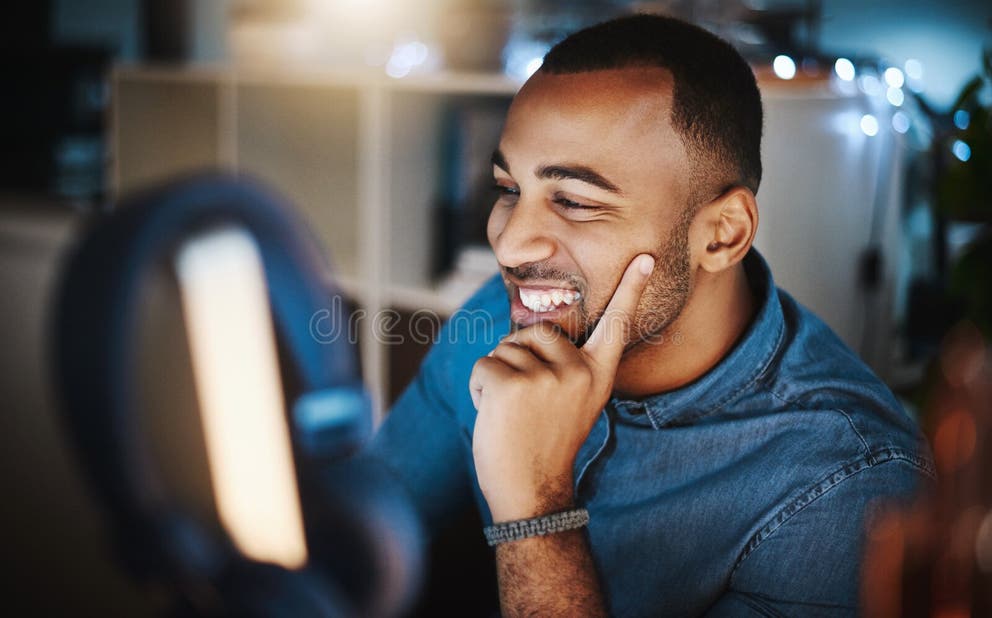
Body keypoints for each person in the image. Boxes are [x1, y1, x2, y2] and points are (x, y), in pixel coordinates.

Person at [365, 13, 933, 617]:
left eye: (575, 202)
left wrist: (536, 506)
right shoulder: (507, 312)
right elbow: (371, 519)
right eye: (510, 190)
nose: (508, 247)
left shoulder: (850, 489)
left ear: (721, 235)